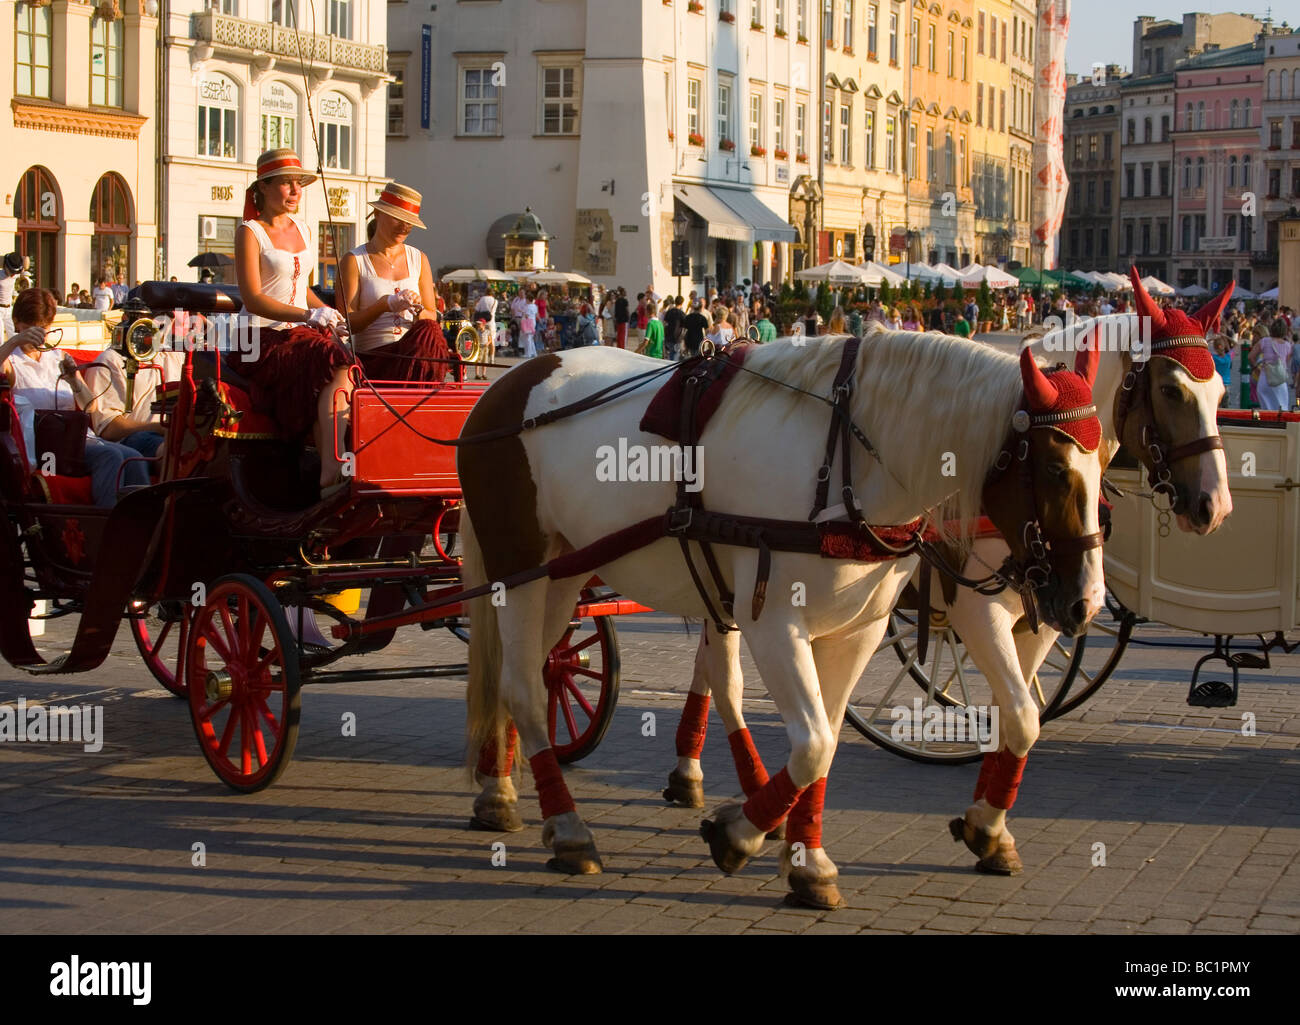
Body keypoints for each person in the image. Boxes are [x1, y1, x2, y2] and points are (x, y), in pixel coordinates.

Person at [234, 148, 353, 498]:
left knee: (345, 359)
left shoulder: (303, 227)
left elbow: (304, 292)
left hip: (299, 333)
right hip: (258, 338)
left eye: (299, 183)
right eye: (286, 183)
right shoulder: (250, 231)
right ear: (264, 188)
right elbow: (253, 298)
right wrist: (307, 315)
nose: (295, 191)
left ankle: (333, 462)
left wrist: (330, 314)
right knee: (331, 359)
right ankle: (333, 469)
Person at [0, 288, 149, 506]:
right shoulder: (13, 360)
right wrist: (14, 341)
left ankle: (141, 523)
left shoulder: (57, 356)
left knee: (134, 457)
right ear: (17, 323)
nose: (36, 337)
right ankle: (105, 524)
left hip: (74, 437)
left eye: (43, 329)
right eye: (29, 330)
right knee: (111, 457)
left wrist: (74, 380)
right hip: (44, 445)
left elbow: (90, 406)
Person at [336, 182, 455, 384]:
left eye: (409, 222)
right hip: (375, 358)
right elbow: (347, 322)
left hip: (414, 353)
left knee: (429, 330)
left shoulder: (419, 258)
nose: (404, 226)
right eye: (397, 219)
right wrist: (383, 305)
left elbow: (431, 314)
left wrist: (418, 310)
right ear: (377, 214)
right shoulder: (354, 260)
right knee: (429, 334)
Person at [1256, 319, 1292, 411]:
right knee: (1282, 408)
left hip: (1265, 377)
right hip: (1279, 379)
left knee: (1265, 408)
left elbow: (1250, 356)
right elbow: (1285, 363)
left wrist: (1257, 368)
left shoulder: (1264, 341)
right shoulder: (1288, 345)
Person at [0, 252, 22, 339]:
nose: (13, 274)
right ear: (5, 266)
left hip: (9, 309)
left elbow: (26, 261)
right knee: (0, 339)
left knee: (14, 336)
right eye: (11, 271)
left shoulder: (15, 275)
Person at [662, 295, 685, 361]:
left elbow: (665, 323)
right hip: (677, 338)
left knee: (670, 354)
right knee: (675, 356)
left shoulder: (669, 312)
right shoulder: (682, 314)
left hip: (668, 337)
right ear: (682, 303)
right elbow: (684, 327)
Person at [520, 292, 539, 358]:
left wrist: (521, 312)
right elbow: (536, 314)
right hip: (532, 323)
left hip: (528, 323)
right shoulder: (534, 306)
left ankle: (528, 353)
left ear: (528, 299)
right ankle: (533, 352)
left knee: (527, 339)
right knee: (530, 338)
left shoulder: (528, 307)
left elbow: (527, 316)